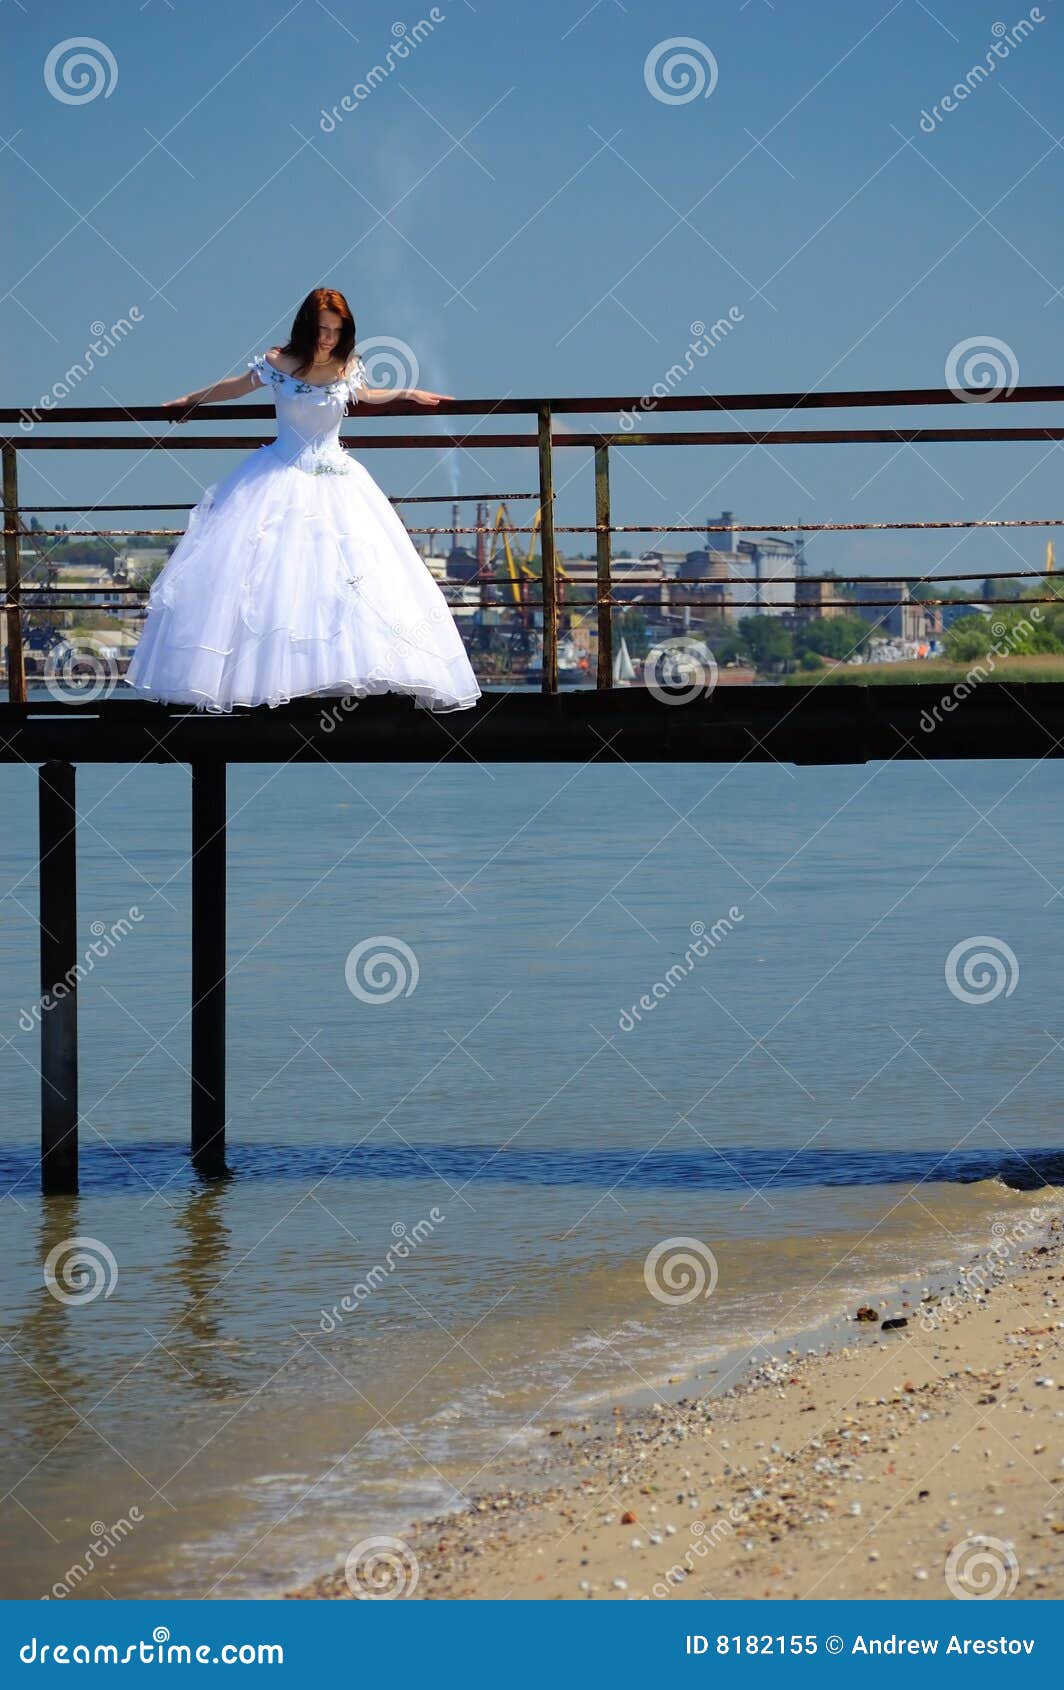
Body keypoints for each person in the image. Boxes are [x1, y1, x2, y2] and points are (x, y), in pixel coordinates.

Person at [125, 287, 482, 713]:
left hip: (338, 478)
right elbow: (236, 388)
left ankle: (343, 674)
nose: (329, 338)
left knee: (349, 575)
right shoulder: (279, 362)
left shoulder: (348, 366)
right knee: (274, 577)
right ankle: (268, 680)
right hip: (278, 473)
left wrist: (407, 393)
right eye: (323, 329)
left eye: (337, 330)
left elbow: (365, 395)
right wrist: (189, 400)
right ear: (306, 326)